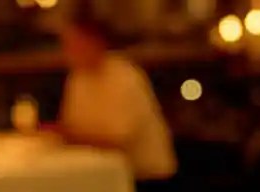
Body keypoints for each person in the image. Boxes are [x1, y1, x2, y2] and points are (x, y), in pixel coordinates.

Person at [55, 15, 176, 181]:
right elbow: (70, 125)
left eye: (76, 43)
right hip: (101, 171)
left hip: (143, 176)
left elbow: (117, 139)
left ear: (96, 43)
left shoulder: (124, 76)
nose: (69, 51)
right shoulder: (78, 78)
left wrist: (72, 136)